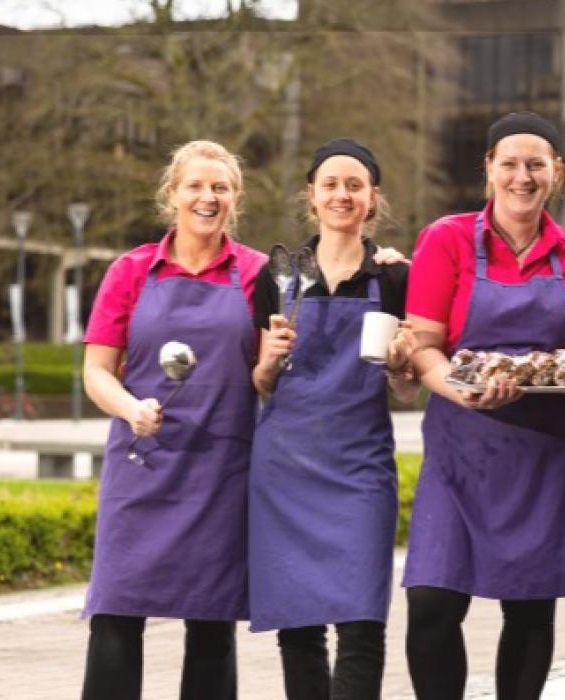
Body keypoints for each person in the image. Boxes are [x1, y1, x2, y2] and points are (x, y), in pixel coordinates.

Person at [401, 112, 565, 699]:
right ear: (488, 169)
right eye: (510, 164)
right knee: (433, 604)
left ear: (556, 172)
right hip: (461, 448)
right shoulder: (446, 238)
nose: (523, 176)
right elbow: (423, 345)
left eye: (536, 165)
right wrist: (462, 390)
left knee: (531, 609)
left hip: (545, 452)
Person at [80, 139, 268, 699]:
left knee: (211, 622)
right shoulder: (131, 271)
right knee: (116, 612)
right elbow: (96, 372)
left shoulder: (257, 273)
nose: (208, 197)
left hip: (221, 473)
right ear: (172, 194)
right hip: (141, 467)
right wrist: (130, 408)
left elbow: (270, 375)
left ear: (235, 198)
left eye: (220, 188)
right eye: (195, 186)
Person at [247, 138, 416, 700]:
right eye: (331, 185)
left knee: (362, 622)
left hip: (360, 468)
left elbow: (407, 391)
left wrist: (401, 366)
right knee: (298, 626)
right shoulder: (277, 278)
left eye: (354, 186)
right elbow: (261, 383)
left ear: (373, 198)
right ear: (312, 196)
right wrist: (267, 362)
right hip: (285, 469)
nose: (342, 195)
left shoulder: (395, 279)